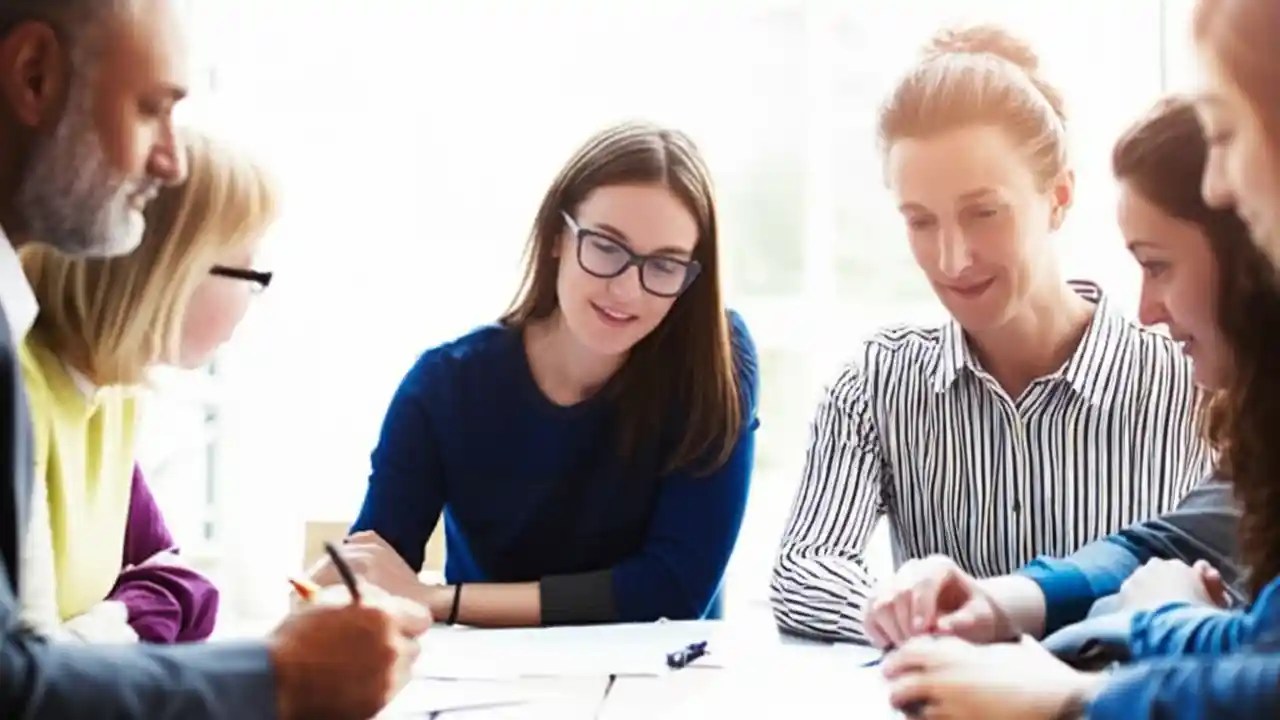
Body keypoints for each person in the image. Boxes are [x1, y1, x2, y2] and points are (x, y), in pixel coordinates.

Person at [0, 2, 428, 718]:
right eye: (150, 109)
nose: (169, 160)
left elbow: (181, 587)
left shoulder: (98, 393)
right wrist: (280, 673)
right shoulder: (28, 374)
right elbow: (19, 678)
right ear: (34, 76)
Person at [881, 0, 1280, 712]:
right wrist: (999, 602)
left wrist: (1085, 688)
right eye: (918, 219)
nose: (1147, 309)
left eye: (1157, 265)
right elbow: (1173, 542)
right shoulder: (1259, 419)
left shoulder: (1169, 380)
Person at [770, 25, 1209, 643]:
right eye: (921, 221)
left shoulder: (1193, 373)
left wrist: (996, 628)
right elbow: (804, 571)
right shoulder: (877, 381)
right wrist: (916, 617)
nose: (952, 259)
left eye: (984, 213)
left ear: (1058, 197)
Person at [310, 121, 760, 627]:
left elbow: (672, 590)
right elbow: (378, 572)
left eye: (665, 265)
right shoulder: (446, 386)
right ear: (555, 238)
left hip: (655, 688)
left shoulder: (716, 360)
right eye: (607, 247)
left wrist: (442, 601)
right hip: (487, 686)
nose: (628, 290)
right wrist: (345, 593)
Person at [15, 130, 276, 645]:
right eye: (248, 270)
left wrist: (106, 625)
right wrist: (125, 619)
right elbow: (37, 670)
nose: (253, 296)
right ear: (161, 271)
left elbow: (183, 588)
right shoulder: (21, 393)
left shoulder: (113, 392)